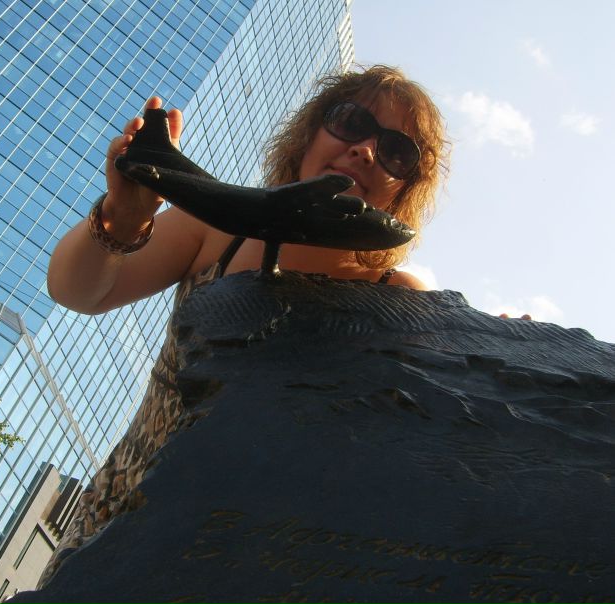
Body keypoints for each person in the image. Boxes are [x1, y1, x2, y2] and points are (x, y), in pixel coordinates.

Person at [39, 64, 449, 586]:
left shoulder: (396, 297)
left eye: (396, 152)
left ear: (404, 190)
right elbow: (78, 291)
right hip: (119, 520)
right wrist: (122, 217)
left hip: (256, 560)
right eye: (351, 123)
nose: (366, 151)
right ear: (309, 134)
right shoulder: (215, 231)